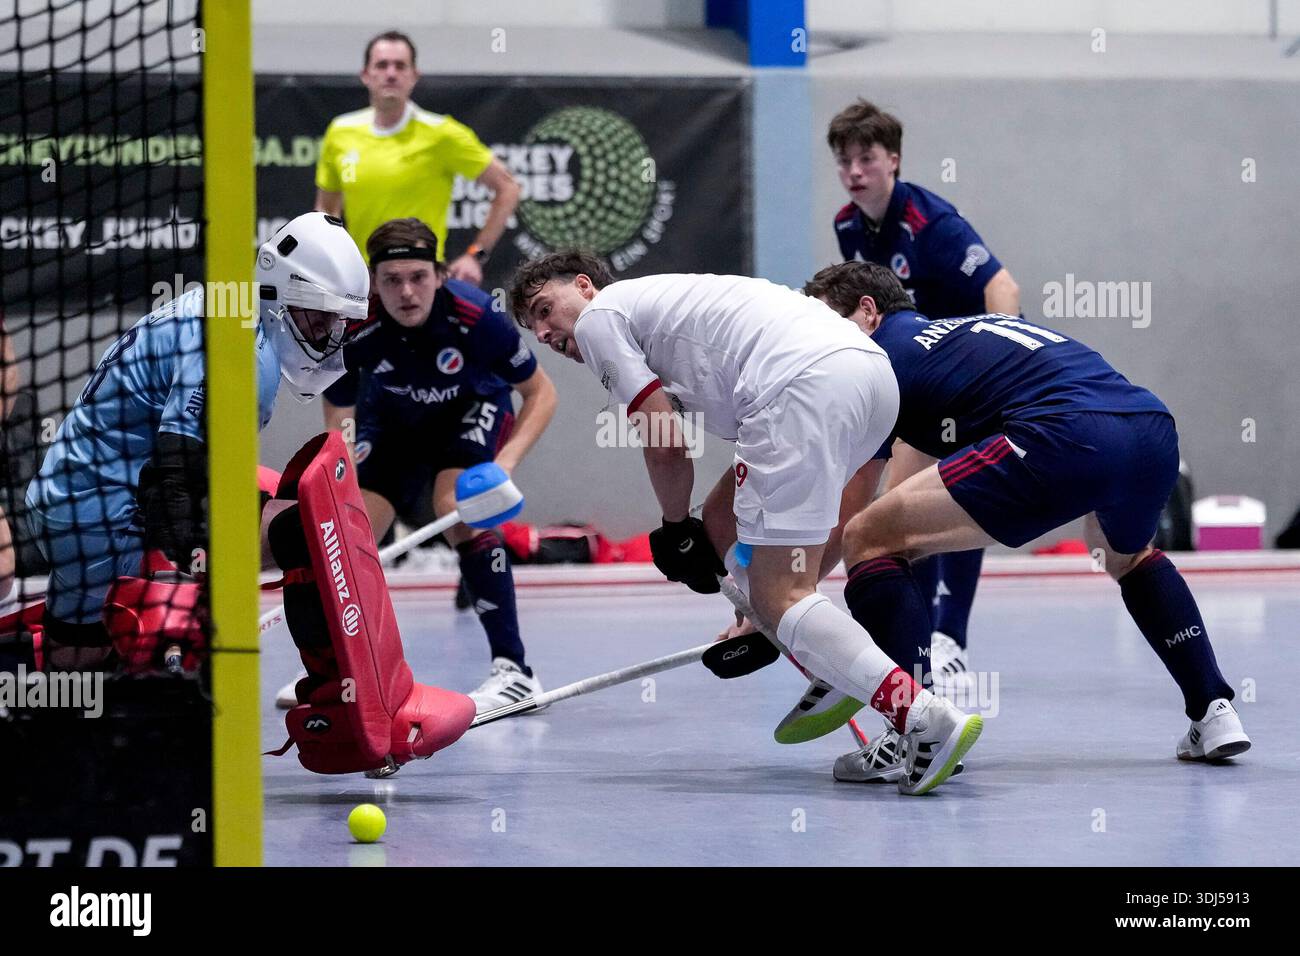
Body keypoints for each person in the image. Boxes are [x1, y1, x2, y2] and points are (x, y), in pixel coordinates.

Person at [509, 251, 982, 796]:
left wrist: (672, 526)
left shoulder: (600, 319)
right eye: (531, 325)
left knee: (783, 594)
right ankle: (832, 655)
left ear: (586, 287)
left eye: (545, 309)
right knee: (759, 567)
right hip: (870, 380)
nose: (543, 332)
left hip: (797, 387)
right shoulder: (667, 308)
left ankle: (921, 714)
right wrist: (728, 574)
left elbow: (665, 442)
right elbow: (740, 485)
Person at [803, 261, 1249, 781]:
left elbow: (850, 514)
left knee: (868, 540)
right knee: (1123, 555)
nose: (820, 344)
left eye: (825, 325)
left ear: (868, 312)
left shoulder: (879, 364)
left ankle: (911, 733)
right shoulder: (954, 338)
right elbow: (911, 490)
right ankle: (1213, 709)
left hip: (1059, 433)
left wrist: (787, 602)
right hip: (1150, 429)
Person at [25, 212, 369, 670]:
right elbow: (176, 465)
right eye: (319, 319)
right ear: (279, 294)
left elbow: (188, 459)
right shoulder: (238, 348)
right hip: (99, 515)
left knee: (294, 504)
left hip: (89, 490)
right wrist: (193, 557)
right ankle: (331, 696)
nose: (326, 336)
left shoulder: (228, 310)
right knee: (306, 530)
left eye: (334, 323)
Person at [274, 217, 557, 713]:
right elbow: (340, 414)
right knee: (343, 531)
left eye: (419, 277)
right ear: (372, 282)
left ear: (440, 275)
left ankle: (514, 671)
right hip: (391, 428)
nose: (407, 292)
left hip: (469, 416)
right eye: (391, 280)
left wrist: (506, 465)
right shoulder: (357, 326)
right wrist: (343, 484)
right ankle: (334, 669)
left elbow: (540, 393)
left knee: (461, 508)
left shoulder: (474, 316)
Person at [829, 98, 1021, 690]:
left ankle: (950, 641)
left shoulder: (932, 224)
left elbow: (1004, 288)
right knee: (899, 509)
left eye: (866, 158)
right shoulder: (847, 227)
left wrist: (1000, 364)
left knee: (956, 504)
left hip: (970, 378)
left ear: (894, 160)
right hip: (915, 384)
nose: (855, 170)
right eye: (844, 160)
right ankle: (909, 642)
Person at [314, 30, 520, 284]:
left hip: (425, 280)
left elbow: (508, 187)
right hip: (362, 283)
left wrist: (475, 255)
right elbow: (326, 208)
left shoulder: (441, 133)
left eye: (400, 66)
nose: (391, 73)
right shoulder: (340, 131)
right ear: (366, 75)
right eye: (382, 65)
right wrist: (333, 260)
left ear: (414, 76)